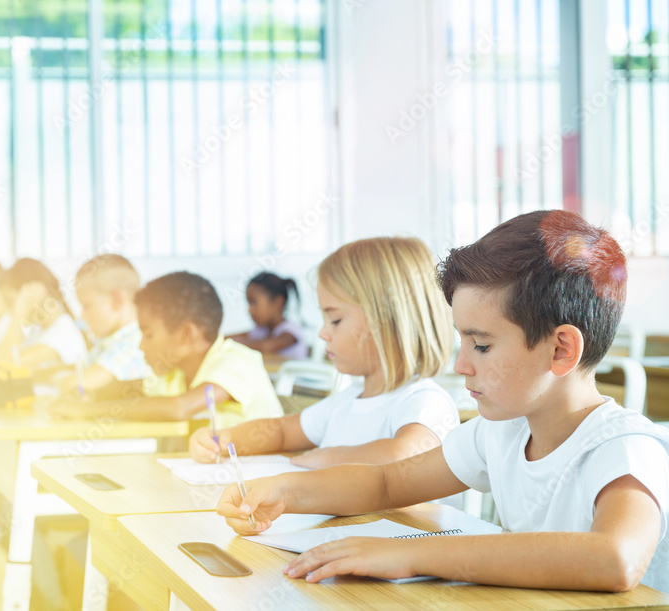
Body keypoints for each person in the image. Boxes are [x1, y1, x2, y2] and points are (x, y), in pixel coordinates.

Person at [217, 211, 669, 593]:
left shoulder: (624, 447)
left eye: (482, 345)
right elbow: (387, 485)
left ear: (561, 350)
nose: (461, 365)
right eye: (462, 341)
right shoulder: (502, 432)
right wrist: (284, 492)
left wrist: (412, 553)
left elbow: (616, 558)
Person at [190, 238, 457, 468]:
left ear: (389, 322)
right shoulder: (346, 401)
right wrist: (225, 439)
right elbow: (282, 431)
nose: (322, 333)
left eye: (336, 320)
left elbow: (405, 456)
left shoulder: (425, 402)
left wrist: (329, 458)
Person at [49, 271, 283, 424]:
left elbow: (178, 408)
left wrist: (89, 412)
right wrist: (91, 396)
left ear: (186, 334)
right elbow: (133, 392)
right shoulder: (175, 374)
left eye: (148, 334)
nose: (141, 346)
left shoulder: (237, 362)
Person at [53, 254, 151, 395]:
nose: (82, 316)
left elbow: (77, 383)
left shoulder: (135, 343)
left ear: (117, 299)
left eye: (86, 306)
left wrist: (59, 379)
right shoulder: (109, 342)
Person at [0, 258, 88, 368]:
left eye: (11, 302)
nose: (9, 311)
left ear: (35, 292)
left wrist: (19, 316)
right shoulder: (39, 331)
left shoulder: (62, 334)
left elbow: (4, 365)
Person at [228, 272, 309, 359]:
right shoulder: (261, 331)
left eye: (254, 302)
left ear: (278, 302)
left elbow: (267, 347)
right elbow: (234, 336)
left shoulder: (291, 331)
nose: (249, 310)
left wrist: (231, 343)